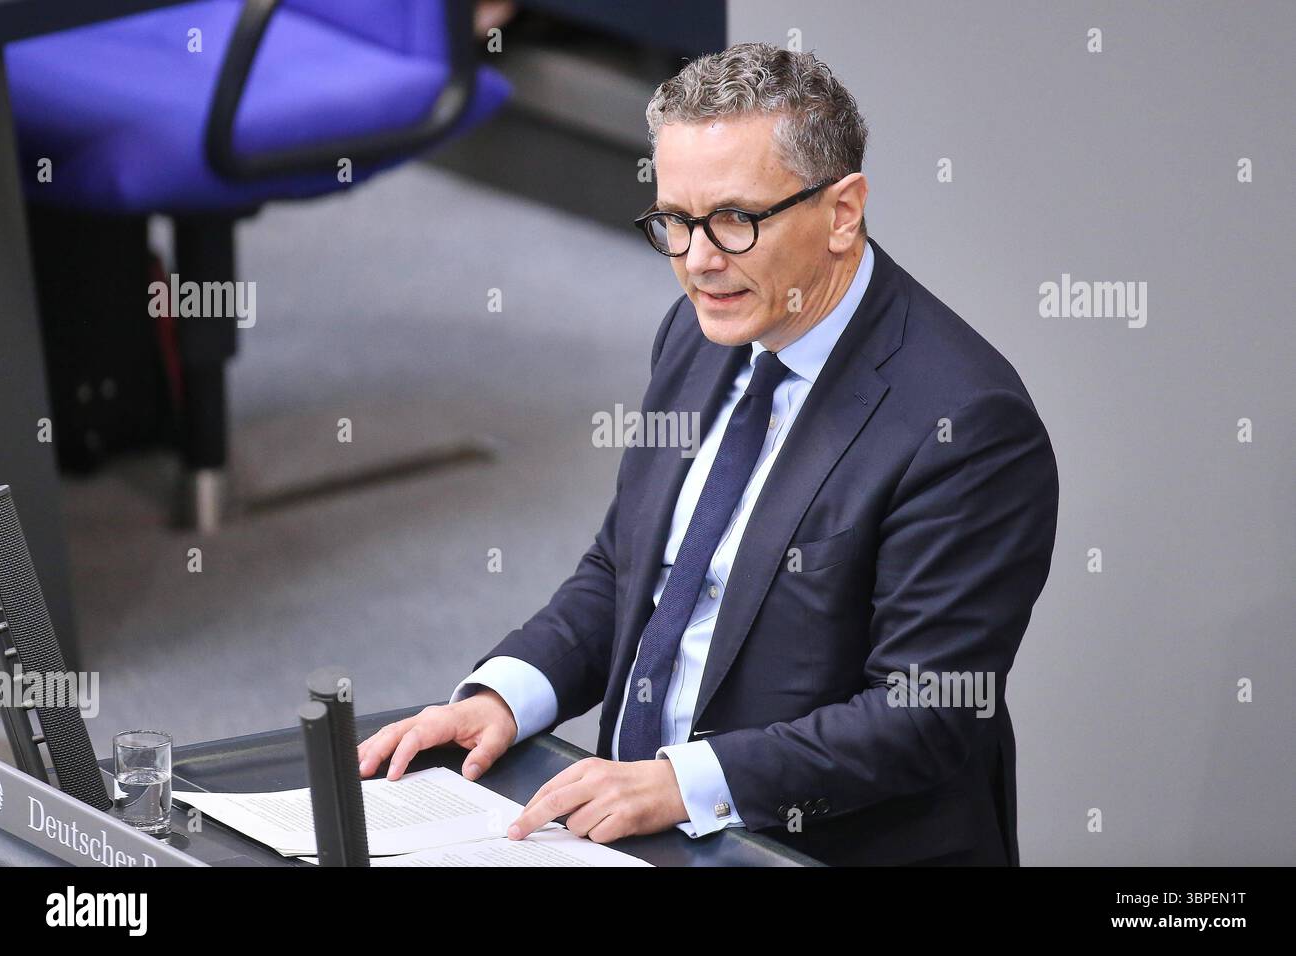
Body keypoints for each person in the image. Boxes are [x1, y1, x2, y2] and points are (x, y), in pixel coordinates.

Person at [358, 42, 1059, 866]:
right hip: (638, 829)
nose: (696, 261)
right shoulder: (703, 335)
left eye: (734, 220)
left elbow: (921, 714)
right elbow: (629, 570)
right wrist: (508, 695)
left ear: (843, 212)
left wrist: (681, 784)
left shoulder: (967, 424)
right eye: (673, 222)